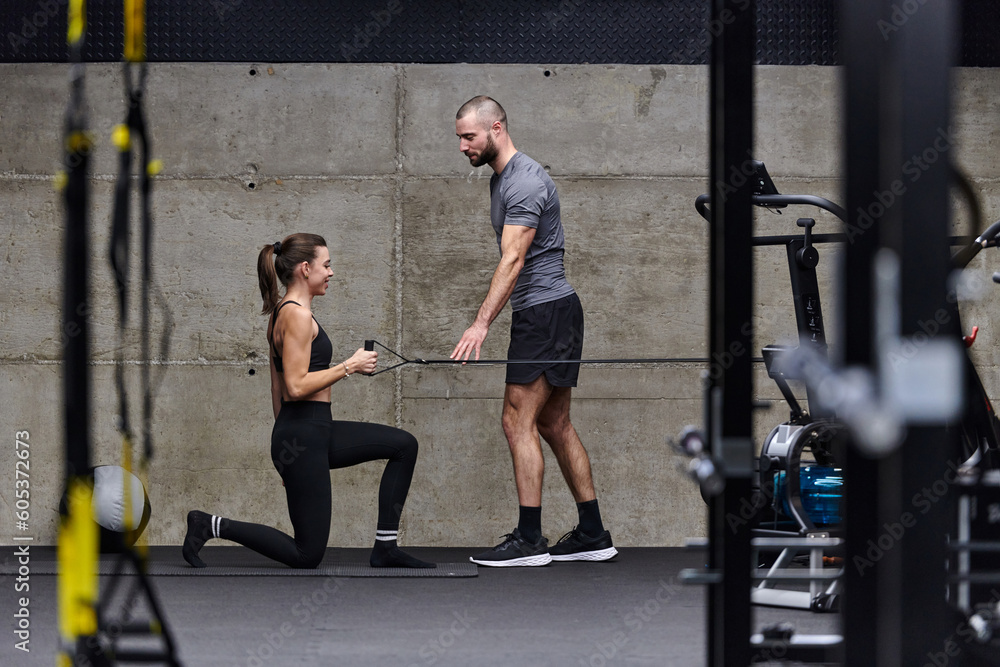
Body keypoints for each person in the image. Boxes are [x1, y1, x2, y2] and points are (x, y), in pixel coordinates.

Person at [182, 233, 434, 569]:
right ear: (305, 268)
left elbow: (276, 391)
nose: (331, 273)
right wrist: (350, 366)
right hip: (304, 434)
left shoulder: (280, 313)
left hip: (307, 432)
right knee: (307, 554)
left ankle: (386, 547)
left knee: (403, 445)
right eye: (326, 265)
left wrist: (285, 452)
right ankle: (208, 524)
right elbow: (295, 387)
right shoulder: (297, 316)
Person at [452, 96, 617, 567]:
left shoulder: (523, 182)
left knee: (516, 421)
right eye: (460, 138)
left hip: (543, 314)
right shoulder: (505, 177)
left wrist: (481, 323)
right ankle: (592, 532)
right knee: (554, 422)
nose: (463, 147)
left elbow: (513, 259)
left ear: (496, 128)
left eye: (470, 137)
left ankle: (528, 540)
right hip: (554, 311)